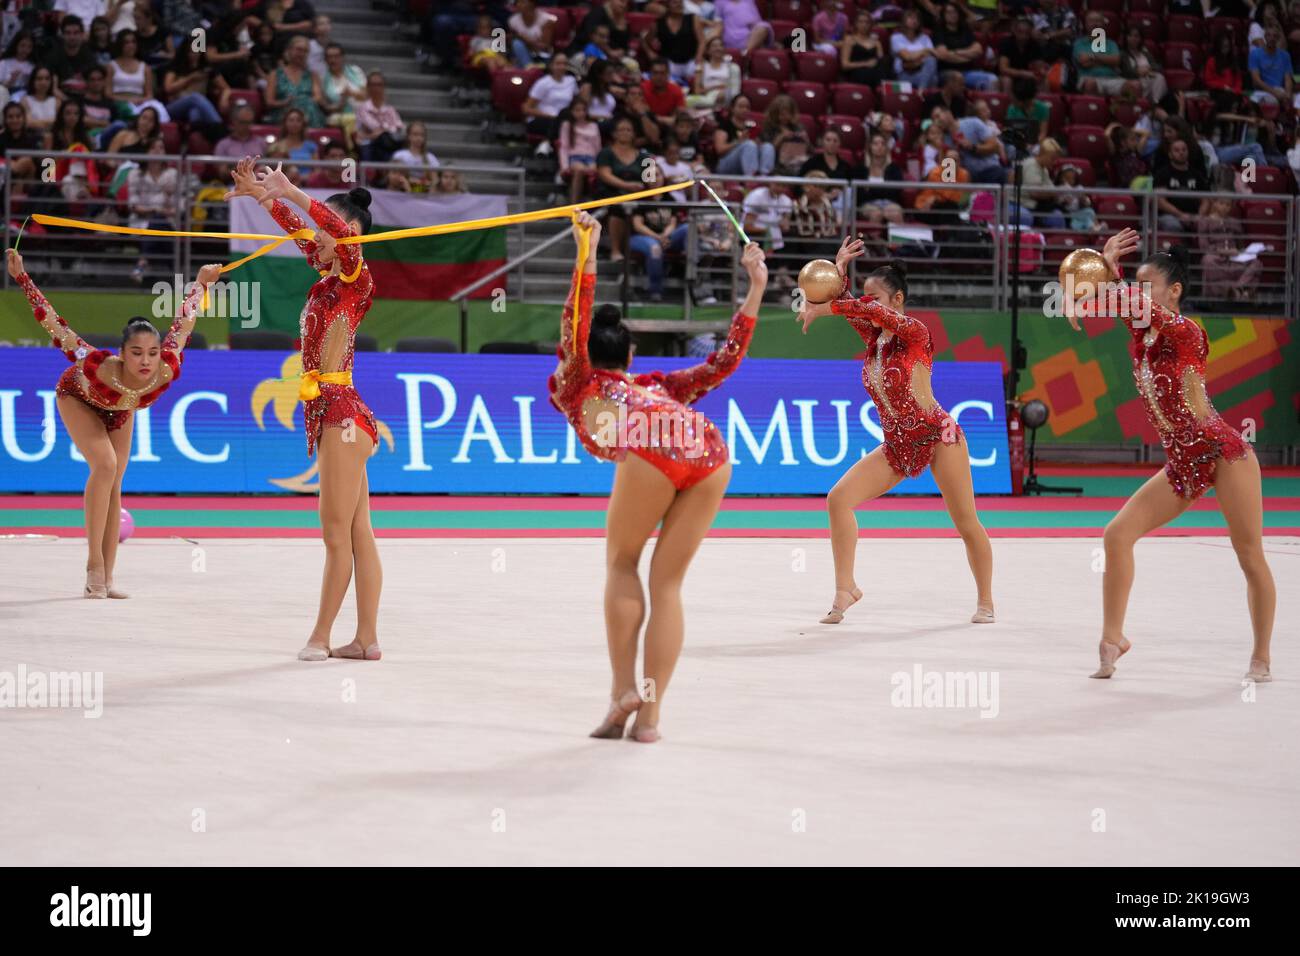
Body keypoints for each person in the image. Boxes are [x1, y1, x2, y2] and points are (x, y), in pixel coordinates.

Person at [547, 211, 767, 742]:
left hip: (649, 443)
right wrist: (756, 285)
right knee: (667, 586)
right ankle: (649, 717)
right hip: (707, 444)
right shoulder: (658, 386)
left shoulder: (573, 380)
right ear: (630, 354)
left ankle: (624, 688)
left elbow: (573, 317)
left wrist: (589, 248)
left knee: (623, 562)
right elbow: (723, 363)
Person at [1065, 230, 1274, 683]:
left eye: (1148, 285)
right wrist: (1104, 271)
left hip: (1224, 454)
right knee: (1117, 535)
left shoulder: (1186, 332)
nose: (1139, 293)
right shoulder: (1144, 336)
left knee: (1250, 556)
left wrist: (1103, 276)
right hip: (1182, 463)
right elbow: (1116, 305)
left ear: (1174, 291)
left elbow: (1123, 302)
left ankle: (1261, 656)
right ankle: (1112, 639)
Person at [227, 156, 383, 662]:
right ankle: (366, 639)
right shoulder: (326, 277)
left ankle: (320, 636)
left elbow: (332, 230)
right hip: (336, 415)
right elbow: (303, 231)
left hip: (341, 414)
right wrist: (263, 197)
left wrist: (293, 192)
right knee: (358, 532)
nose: (314, 237)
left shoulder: (356, 278)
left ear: (348, 234)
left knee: (337, 535)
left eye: (325, 231)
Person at [797, 245, 994, 626]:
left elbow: (867, 310)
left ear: (898, 299)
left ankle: (986, 600)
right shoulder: (876, 342)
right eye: (867, 295)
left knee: (966, 521)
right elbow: (863, 311)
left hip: (940, 436)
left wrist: (829, 306)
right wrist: (838, 281)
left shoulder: (916, 333)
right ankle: (845, 589)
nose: (870, 303)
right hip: (898, 445)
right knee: (838, 499)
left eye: (878, 296)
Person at [8, 248, 216, 599]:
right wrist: (22, 278)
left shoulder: (165, 367)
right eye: (136, 353)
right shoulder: (99, 366)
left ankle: (109, 577)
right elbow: (54, 323)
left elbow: (184, 321)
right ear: (122, 352)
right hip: (77, 397)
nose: (146, 360)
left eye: (152, 352)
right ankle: (94, 567)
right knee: (104, 464)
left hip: (121, 409)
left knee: (116, 479)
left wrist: (200, 285)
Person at [1198, 196, 1263, 302]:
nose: (1224, 207)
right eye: (1221, 204)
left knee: (1257, 263)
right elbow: (1204, 246)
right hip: (1217, 258)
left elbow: (1240, 245)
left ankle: (1237, 288)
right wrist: (1225, 252)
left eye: (1228, 205)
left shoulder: (1235, 222)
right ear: (1214, 203)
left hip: (1235, 259)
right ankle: (1242, 292)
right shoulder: (1205, 221)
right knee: (1207, 260)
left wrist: (1241, 252)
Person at [931, 2, 997, 91]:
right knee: (957, 77)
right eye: (949, 12)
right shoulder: (939, 31)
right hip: (946, 72)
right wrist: (968, 55)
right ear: (943, 15)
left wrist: (956, 52)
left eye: (955, 12)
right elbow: (943, 55)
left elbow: (978, 51)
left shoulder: (965, 30)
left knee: (993, 79)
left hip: (968, 71)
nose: (952, 15)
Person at [266, 35, 326, 128]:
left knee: (308, 106)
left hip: (307, 113)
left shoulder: (313, 75)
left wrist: (300, 103)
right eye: (299, 49)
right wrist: (284, 102)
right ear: (289, 50)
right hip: (283, 112)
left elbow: (317, 97)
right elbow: (269, 102)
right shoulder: (275, 74)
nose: (301, 53)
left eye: (305, 51)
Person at [1153, 138, 1208, 233]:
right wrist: (1180, 215)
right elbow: (1160, 202)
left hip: (1194, 216)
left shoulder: (1196, 174)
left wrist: (1199, 216)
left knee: (1209, 224)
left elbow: (1206, 200)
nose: (1181, 153)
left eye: (1184, 149)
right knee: (1173, 226)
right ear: (1170, 154)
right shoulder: (1162, 174)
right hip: (1170, 216)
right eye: (1177, 150)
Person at [713, 93, 770, 176]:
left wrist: (758, 144)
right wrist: (738, 142)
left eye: (747, 107)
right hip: (726, 163)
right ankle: (750, 179)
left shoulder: (751, 126)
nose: (744, 110)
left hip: (747, 160)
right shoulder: (725, 125)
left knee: (768, 147)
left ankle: (764, 176)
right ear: (732, 108)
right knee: (749, 145)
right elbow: (720, 150)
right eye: (741, 107)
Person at [557, 98, 601, 204]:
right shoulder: (567, 125)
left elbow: (597, 146)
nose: (581, 113)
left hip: (591, 158)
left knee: (597, 171)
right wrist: (564, 166)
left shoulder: (593, 125)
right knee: (580, 170)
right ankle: (574, 205)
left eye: (583, 110)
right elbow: (564, 147)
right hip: (575, 158)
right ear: (572, 111)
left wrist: (599, 162)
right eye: (577, 110)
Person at [841, 10, 892, 88]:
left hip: (875, 72)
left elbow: (881, 61)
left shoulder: (876, 42)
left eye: (867, 22)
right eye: (861, 22)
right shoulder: (849, 40)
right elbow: (845, 65)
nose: (864, 25)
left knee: (887, 71)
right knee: (867, 74)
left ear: (871, 25)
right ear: (855, 24)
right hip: (857, 72)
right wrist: (865, 63)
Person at [1248, 24, 1294, 108]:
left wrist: (1288, 94)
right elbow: (1256, 80)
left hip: (1280, 90)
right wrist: (1274, 92)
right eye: (1269, 35)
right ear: (1265, 37)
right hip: (1263, 91)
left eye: (1275, 36)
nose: (1272, 38)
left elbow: (1288, 79)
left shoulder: (1285, 55)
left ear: (1278, 38)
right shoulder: (1255, 54)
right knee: (1271, 101)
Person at [891, 8, 938, 90]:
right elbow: (906, 56)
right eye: (911, 17)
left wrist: (914, 61)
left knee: (931, 63)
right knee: (933, 79)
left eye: (917, 18)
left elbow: (931, 55)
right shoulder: (896, 37)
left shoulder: (925, 37)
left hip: (922, 71)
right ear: (904, 20)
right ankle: (923, 92)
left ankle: (921, 90)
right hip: (904, 74)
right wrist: (924, 51)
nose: (914, 20)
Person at [389, 121, 440, 193]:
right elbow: (394, 177)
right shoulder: (399, 155)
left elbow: (435, 180)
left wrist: (422, 184)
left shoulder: (431, 158)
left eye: (422, 135)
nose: (419, 138)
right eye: (415, 134)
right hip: (402, 192)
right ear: (408, 136)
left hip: (425, 193)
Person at [509, 0, 557, 68]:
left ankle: (532, 70)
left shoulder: (547, 20)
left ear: (532, 3)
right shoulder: (513, 21)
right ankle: (530, 68)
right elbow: (512, 43)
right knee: (516, 43)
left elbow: (545, 47)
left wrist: (524, 39)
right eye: (518, 2)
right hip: (523, 55)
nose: (519, 4)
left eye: (523, 2)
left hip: (542, 56)